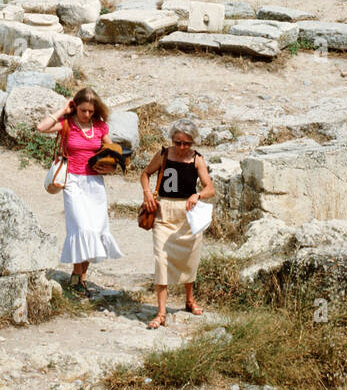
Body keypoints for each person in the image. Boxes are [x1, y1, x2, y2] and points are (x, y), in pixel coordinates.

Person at [37, 88, 121, 293]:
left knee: (95, 229)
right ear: (76, 107)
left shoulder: (100, 126)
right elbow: (41, 127)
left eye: (91, 111)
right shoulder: (67, 123)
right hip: (72, 181)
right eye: (83, 110)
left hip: (95, 183)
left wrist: (112, 164)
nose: (87, 115)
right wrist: (62, 110)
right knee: (81, 228)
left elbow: (114, 153)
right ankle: (76, 274)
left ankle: (81, 277)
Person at [139, 121, 216, 329]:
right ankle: (161, 312)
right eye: (178, 142)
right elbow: (145, 174)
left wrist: (197, 194)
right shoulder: (164, 154)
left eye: (187, 143)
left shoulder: (197, 159)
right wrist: (147, 194)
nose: (182, 147)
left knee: (189, 259)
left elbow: (210, 187)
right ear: (172, 140)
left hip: (187, 215)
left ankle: (189, 300)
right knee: (161, 260)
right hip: (163, 213)